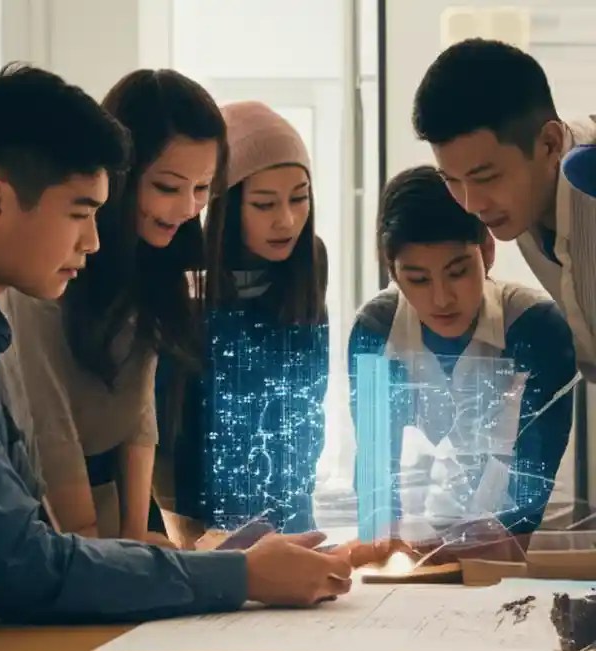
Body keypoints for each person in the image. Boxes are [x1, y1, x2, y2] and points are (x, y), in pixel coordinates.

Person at [0, 63, 386, 625]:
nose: (93, 238)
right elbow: (30, 554)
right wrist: (240, 573)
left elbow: (135, 415)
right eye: (82, 213)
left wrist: (131, 543)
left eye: (201, 190)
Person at [0, 68, 226, 544]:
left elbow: (140, 408)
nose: (187, 208)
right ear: (120, 174)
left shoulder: (157, 259)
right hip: (43, 502)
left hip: (109, 493)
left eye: (201, 188)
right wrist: (96, 543)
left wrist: (136, 533)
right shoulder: (50, 260)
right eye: (167, 187)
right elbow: (48, 423)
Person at [348, 165, 577, 546]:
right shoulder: (376, 330)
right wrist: (386, 542)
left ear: (486, 251)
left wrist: (492, 542)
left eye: (457, 272)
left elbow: (534, 473)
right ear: (393, 272)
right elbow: (376, 466)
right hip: (421, 540)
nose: (441, 299)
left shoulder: (536, 326)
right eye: (418, 279)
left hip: (533, 541)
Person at [166, 101, 329, 538]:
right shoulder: (186, 272)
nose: (287, 220)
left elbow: (309, 403)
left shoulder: (310, 264)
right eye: (264, 204)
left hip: (291, 510)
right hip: (201, 518)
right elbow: (173, 422)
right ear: (227, 204)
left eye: (299, 198)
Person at [413, 37, 596, 380]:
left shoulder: (586, 180)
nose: (471, 204)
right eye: (452, 180)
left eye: (487, 177)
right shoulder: (526, 197)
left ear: (549, 144)